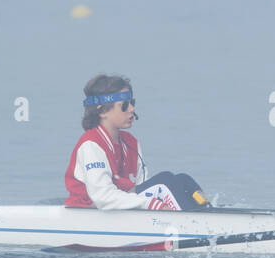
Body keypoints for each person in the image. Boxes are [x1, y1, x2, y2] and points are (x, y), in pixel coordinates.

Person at [64, 74, 209, 211]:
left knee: (182, 180)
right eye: (124, 105)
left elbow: (142, 187)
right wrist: (152, 204)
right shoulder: (91, 145)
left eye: (132, 103)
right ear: (102, 111)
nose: (132, 109)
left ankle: (207, 210)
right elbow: (103, 197)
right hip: (90, 212)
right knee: (164, 183)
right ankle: (199, 226)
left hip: (122, 210)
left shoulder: (131, 142)